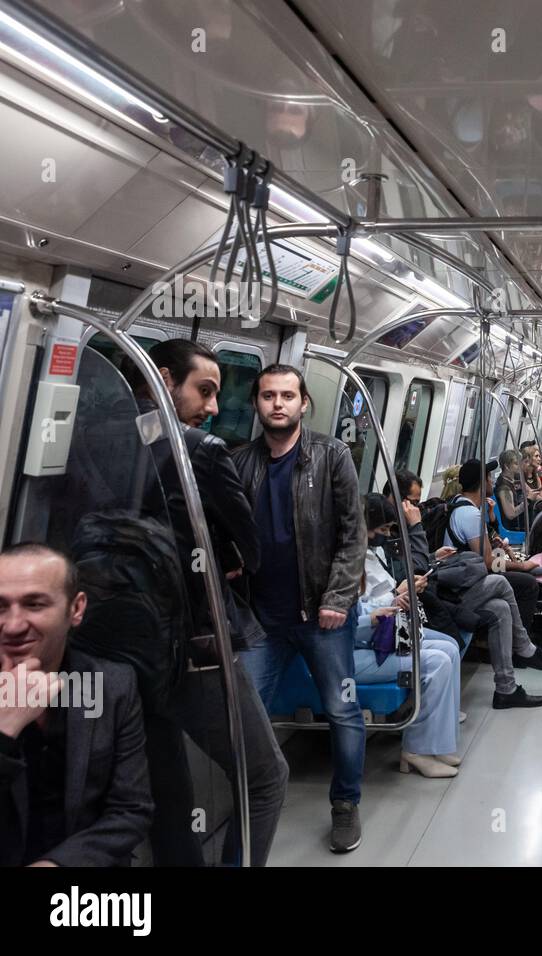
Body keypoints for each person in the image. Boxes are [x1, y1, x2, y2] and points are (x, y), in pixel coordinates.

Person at [131, 339, 288, 867]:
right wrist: (226, 557)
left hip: (123, 654)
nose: (215, 408)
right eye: (205, 390)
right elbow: (251, 546)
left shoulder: (100, 438)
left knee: (166, 795)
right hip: (193, 647)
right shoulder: (201, 450)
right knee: (265, 777)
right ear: (163, 376)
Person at [231, 364, 368, 854]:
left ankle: (346, 804)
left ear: (304, 403)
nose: (278, 404)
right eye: (268, 395)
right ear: (257, 404)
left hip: (323, 616)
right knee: (245, 715)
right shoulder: (241, 461)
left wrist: (336, 599)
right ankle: (251, 802)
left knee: (343, 710)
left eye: (288, 395)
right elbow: (230, 531)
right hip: (262, 620)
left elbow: (353, 535)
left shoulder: (331, 456)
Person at [0, 544, 152, 866]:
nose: (13, 626)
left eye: (34, 604)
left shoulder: (110, 686)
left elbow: (130, 810)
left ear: (76, 609)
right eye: (0, 607)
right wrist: (4, 730)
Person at [357, 495, 463, 778]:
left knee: (450, 649)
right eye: (383, 529)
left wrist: (400, 592)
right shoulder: (347, 564)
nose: (387, 536)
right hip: (363, 646)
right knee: (438, 661)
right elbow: (355, 619)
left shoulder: (368, 555)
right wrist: (389, 603)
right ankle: (415, 751)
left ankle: (438, 742)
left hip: (382, 631)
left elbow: (372, 601)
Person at [441, 459, 542, 708]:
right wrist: (522, 566)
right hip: (458, 592)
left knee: (501, 610)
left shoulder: (462, 507)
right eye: (489, 479)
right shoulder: (470, 514)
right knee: (510, 583)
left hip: (464, 583)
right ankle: (524, 647)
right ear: (481, 483)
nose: (492, 482)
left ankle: (506, 689)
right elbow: (488, 564)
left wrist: (492, 520)